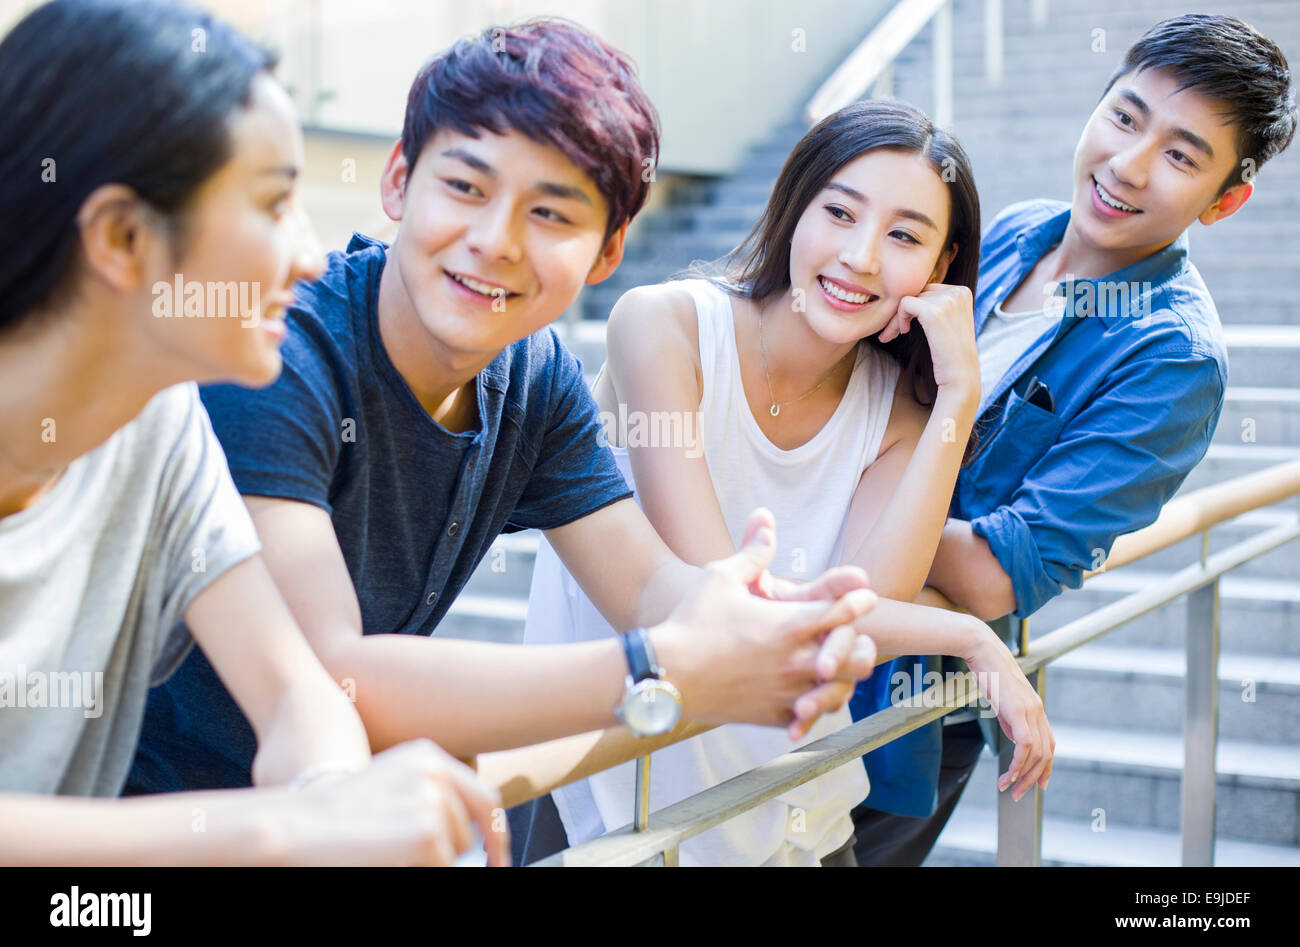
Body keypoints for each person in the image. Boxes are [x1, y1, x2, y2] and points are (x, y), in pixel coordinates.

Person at [127, 17, 880, 858]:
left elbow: (650, 586)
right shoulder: (276, 355)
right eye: (467, 188)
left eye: (552, 213)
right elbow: (339, 674)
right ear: (398, 182)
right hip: (139, 827)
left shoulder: (533, 375)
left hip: (332, 821)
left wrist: (768, 626)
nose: (496, 242)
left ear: (607, 252)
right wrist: (659, 668)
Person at [0, 0, 507, 865]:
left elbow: (299, 699)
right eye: (275, 204)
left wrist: (331, 798)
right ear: (123, 237)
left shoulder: (159, 424)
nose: (312, 255)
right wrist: (286, 830)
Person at [519, 99, 1054, 866]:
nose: (863, 256)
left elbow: (869, 610)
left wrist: (959, 400)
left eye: (904, 235)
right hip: (614, 790)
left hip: (791, 800)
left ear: (940, 271)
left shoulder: (899, 408)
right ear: (795, 207)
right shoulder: (663, 327)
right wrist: (968, 635)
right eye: (840, 212)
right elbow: (721, 605)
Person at [850, 13, 1297, 866]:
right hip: (813, 632)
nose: (1127, 166)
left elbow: (993, 575)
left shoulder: (1173, 358)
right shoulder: (1018, 229)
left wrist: (815, 504)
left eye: (1180, 154)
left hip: (907, 702)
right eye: (1126, 118)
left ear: (1226, 199)